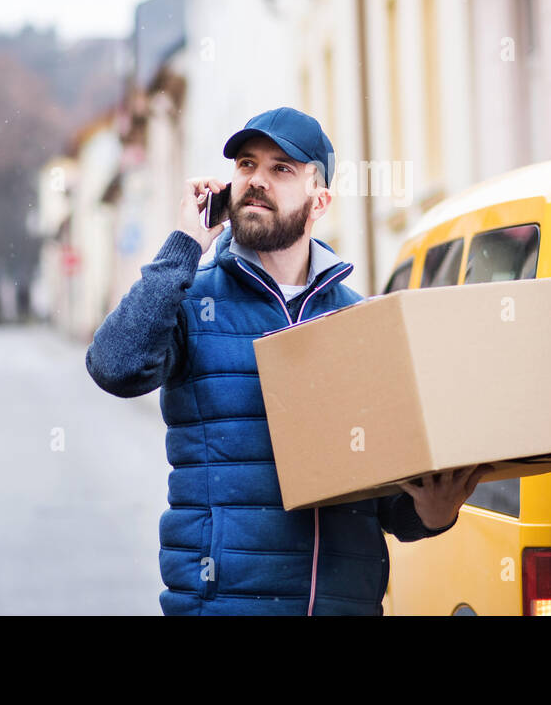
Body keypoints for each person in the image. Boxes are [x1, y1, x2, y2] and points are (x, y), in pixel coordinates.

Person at [85, 106, 486, 615]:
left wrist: (431, 513)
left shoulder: (358, 321)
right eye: (247, 165)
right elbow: (113, 365)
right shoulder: (190, 300)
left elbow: (385, 501)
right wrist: (185, 244)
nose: (256, 181)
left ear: (320, 200)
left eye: (281, 169)